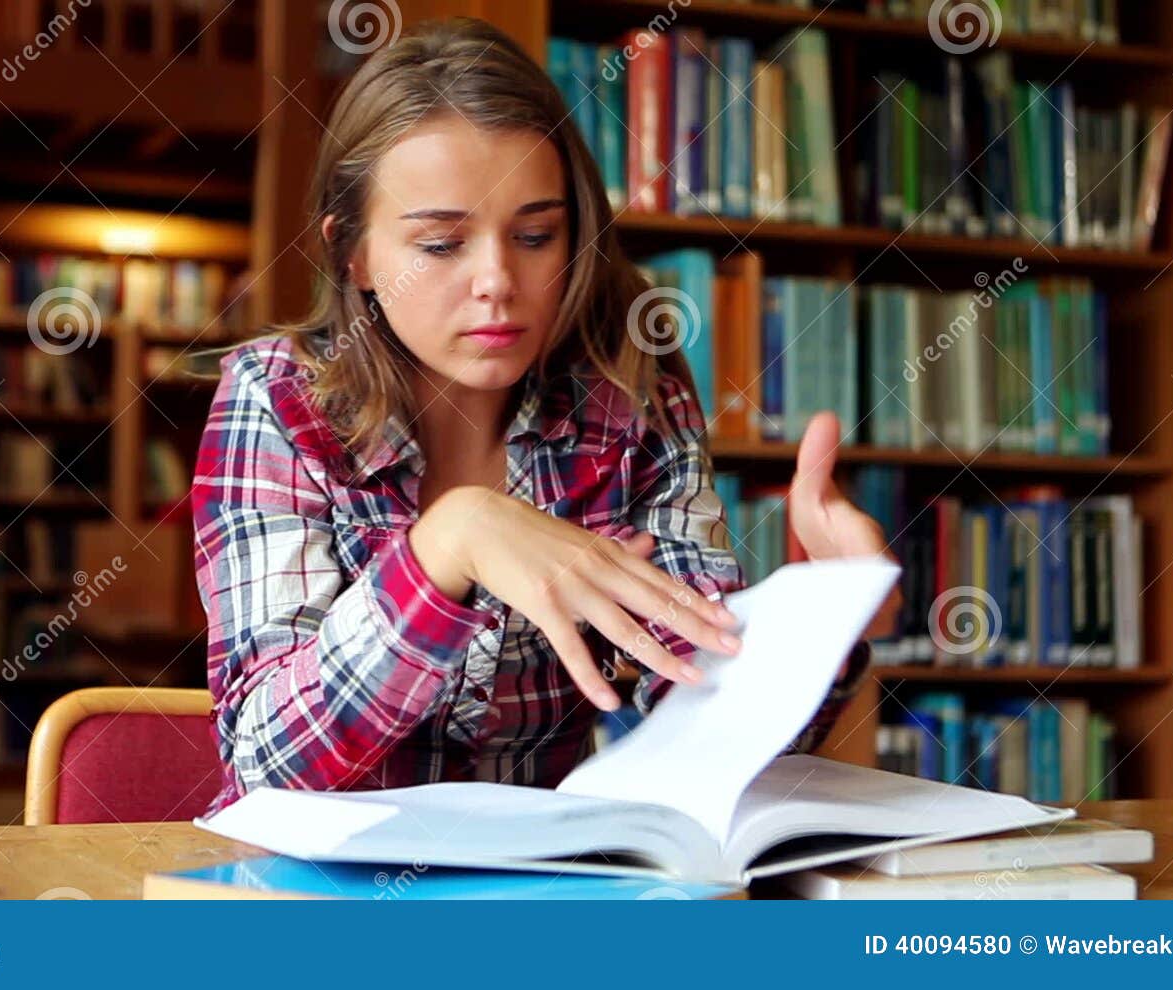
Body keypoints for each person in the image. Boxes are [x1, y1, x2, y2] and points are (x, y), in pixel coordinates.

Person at [192, 17, 899, 813]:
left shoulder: (634, 390)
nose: (497, 280)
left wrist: (821, 619)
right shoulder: (277, 399)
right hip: (317, 904)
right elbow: (265, 762)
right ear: (352, 254)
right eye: (440, 245)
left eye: (535, 235)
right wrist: (446, 545)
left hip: (550, 891)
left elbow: (699, 712)